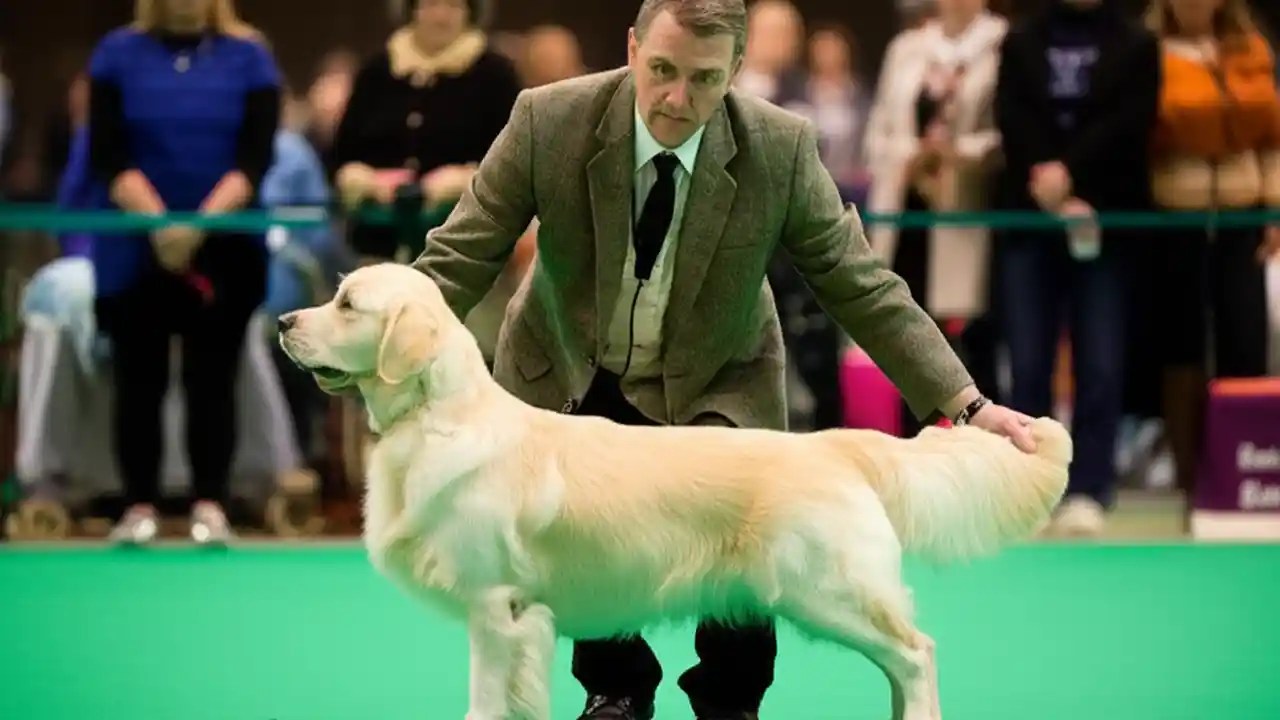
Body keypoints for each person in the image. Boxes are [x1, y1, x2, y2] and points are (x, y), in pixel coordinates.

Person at [412, 1, 1037, 717]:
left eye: (705, 79)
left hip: (718, 379)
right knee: (587, 541)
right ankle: (616, 691)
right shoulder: (547, 119)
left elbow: (859, 284)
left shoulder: (780, 145)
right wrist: (391, 338)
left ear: (737, 69)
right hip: (572, 372)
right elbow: (460, 254)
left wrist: (968, 404)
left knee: (751, 541)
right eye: (661, 71)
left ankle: (731, 700)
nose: (678, 98)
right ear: (632, 47)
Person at [87, 0, 280, 544]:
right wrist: (159, 225)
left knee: (214, 376)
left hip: (227, 244)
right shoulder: (116, 53)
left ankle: (210, 503)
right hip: (134, 241)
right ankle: (138, 505)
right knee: (137, 377)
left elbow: (255, 157)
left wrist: (197, 226)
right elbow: (108, 154)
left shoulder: (250, 56)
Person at [993, 0, 1161, 536]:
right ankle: (1027, 492)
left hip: (1105, 222)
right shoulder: (1021, 39)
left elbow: (1131, 124)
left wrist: (1074, 177)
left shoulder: (1137, 42)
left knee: (1101, 362)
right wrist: (1047, 180)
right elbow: (1013, 116)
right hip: (1030, 222)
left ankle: (1090, 488)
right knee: (1027, 363)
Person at [863, 0, 1008, 438]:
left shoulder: (1002, 43)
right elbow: (879, 134)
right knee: (909, 334)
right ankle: (917, 448)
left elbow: (1007, 134)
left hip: (966, 214)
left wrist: (959, 155)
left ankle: (983, 453)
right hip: (908, 212)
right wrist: (911, 156)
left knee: (972, 338)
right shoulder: (907, 48)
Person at [330, 0, 521, 264]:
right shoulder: (376, 70)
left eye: (453, 6)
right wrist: (368, 181)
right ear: (412, 9)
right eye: (430, 4)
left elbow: (511, 162)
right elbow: (341, 154)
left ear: (471, 11)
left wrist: (458, 180)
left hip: (465, 248)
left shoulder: (495, 74)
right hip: (376, 242)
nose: (441, 16)